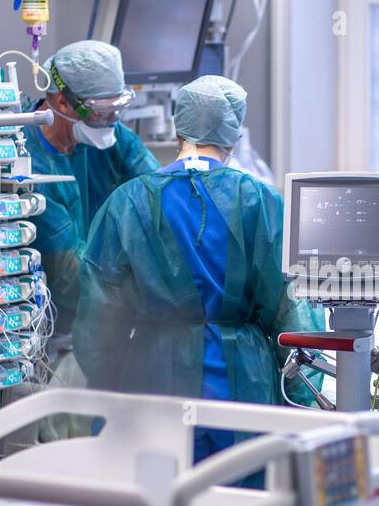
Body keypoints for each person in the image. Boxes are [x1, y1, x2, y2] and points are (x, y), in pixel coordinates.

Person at [73, 75, 324, 462]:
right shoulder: (258, 200)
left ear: (179, 131)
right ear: (233, 137)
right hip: (242, 388)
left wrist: (115, 396)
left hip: (154, 385)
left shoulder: (128, 202)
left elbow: (98, 325)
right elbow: (293, 318)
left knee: (160, 503)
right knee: (238, 504)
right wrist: (304, 402)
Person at [27, 40, 159, 333]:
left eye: (117, 108)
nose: (111, 121)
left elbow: (161, 196)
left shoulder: (112, 139)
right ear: (61, 101)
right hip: (63, 323)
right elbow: (70, 274)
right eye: (101, 111)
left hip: (114, 300)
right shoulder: (31, 167)